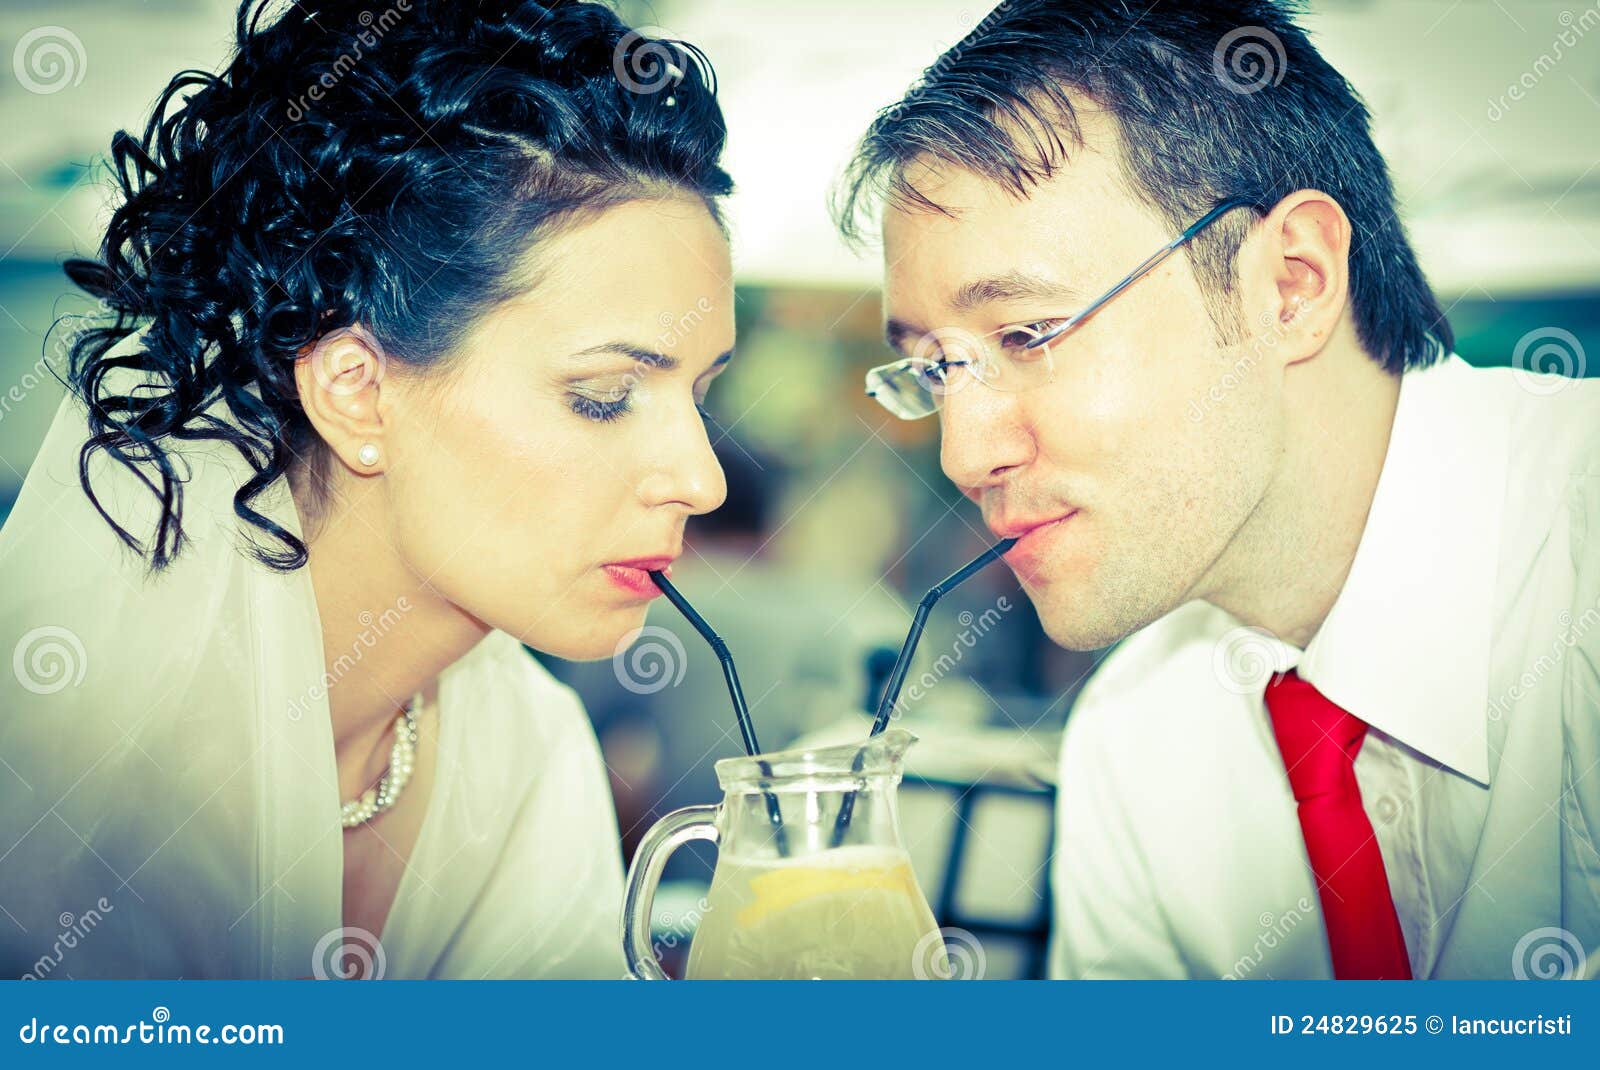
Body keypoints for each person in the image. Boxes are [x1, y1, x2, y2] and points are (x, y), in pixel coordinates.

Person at [836, 0, 1599, 979]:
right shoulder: (1137, 737)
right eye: (936, 368)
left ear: (1289, 283)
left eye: (1027, 334)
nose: (963, 454)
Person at [0, 0, 736, 979]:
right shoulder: (59, 768)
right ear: (356, 391)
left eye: (699, 394)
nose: (702, 478)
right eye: (604, 396)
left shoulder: (532, 753)